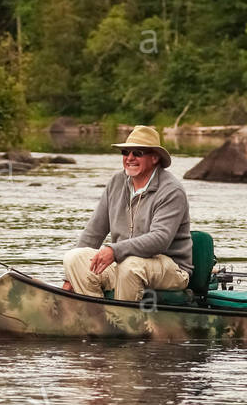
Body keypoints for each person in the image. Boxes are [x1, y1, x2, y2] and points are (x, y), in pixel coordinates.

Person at [62, 126, 192, 302]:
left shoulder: (171, 190)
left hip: (171, 268)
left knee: (130, 267)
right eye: (125, 152)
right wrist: (70, 278)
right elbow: (94, 232)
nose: (129, 158)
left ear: (154, 158)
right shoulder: (116, 182)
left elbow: (160, 239)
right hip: (124, 262)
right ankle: (96, 320)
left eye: (137, 153)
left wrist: (114, 251)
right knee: (74, 258)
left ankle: (123, 326)